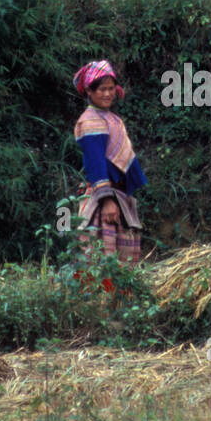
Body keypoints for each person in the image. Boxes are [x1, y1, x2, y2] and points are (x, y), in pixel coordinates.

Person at [72, 60, 147, 299]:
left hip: (118, 197)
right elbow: (95, 163)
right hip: (104, 201)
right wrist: (107, 201)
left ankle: (119, 311)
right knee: (100, 255)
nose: (107, 93)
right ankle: (97, 311)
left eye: (110, 88)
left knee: (118, 257)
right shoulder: (91, 120)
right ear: (89, 91)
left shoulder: (111, 118)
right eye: (101, 89)